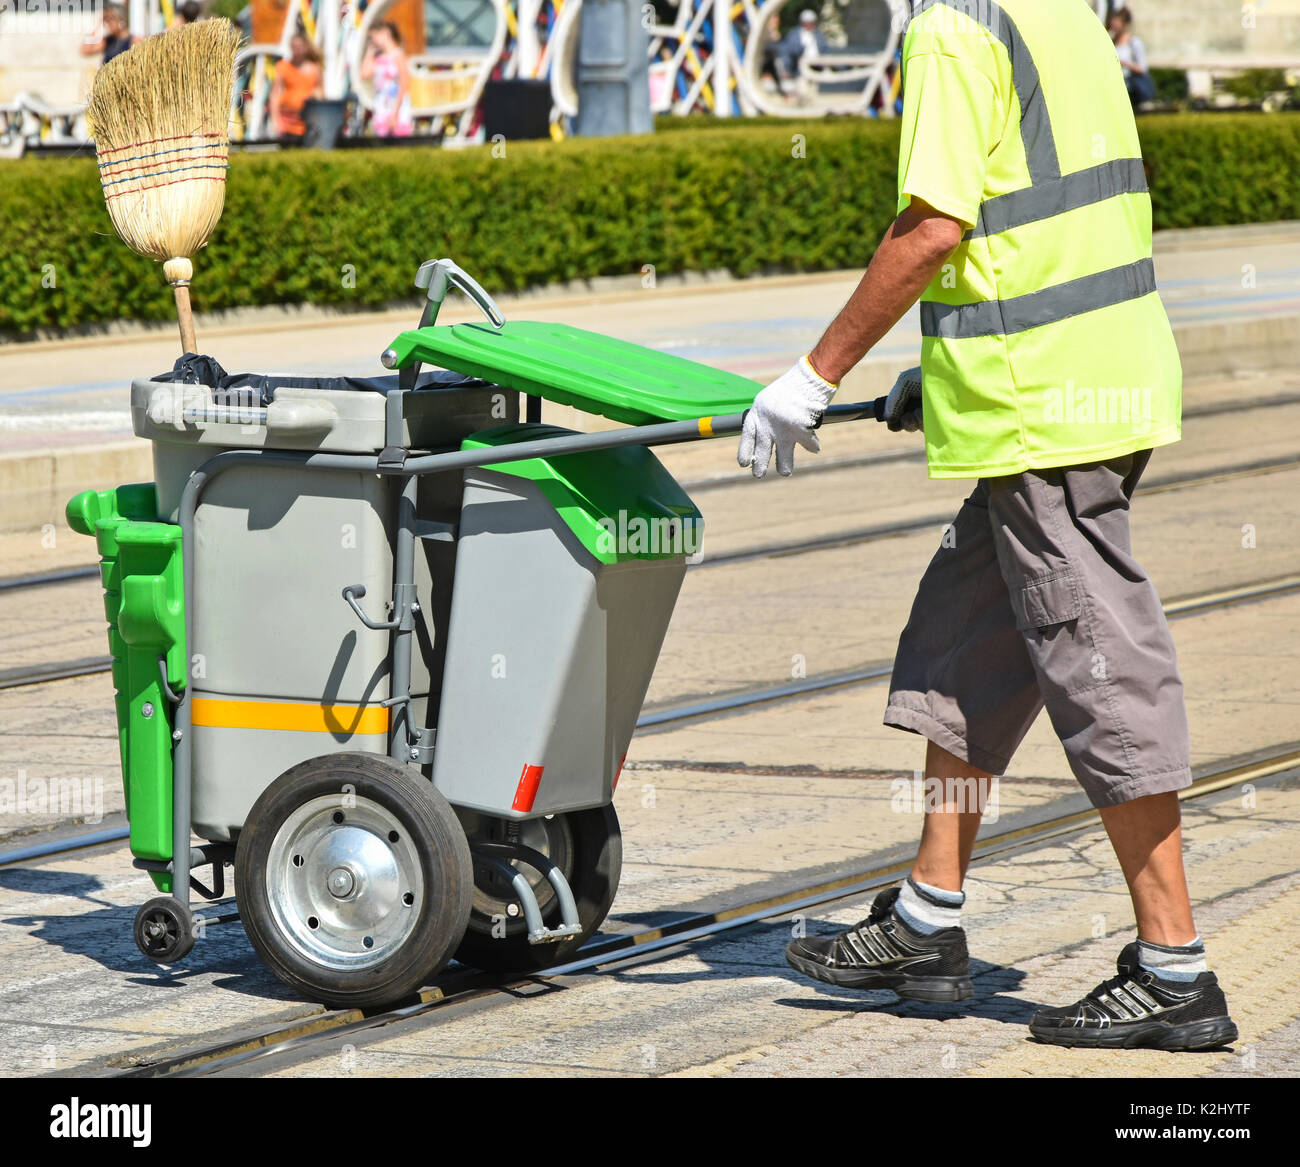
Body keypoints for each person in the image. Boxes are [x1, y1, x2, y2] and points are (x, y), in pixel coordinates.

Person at [738, 0, 1238, 1051]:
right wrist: (942, 369)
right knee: (965, 645)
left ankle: (1173, 968)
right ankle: (927, 916)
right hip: (1087, 380)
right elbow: (1047, 217)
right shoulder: (1056, 14)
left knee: (1101, 666)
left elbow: (934, 226)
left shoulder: (953, 27)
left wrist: (810, 375)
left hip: (1043, 411)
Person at [361, 21, 413, 138]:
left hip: (396, 104)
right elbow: (364, 74)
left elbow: (404, 83)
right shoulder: (378, 57)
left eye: (374, 37)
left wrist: (395, 112)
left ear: (385, 33)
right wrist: (370, 52)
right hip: (381, 105)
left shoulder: (398, 55)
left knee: (399, 138)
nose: (373, 41)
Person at [270, 32, 324, 141]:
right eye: (294, 47)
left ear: (306, 48)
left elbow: (321, 92)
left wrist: (315, 96)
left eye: (299, 47)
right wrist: (276, 120)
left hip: (307, 121)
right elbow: (275, 94)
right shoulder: (283, 67)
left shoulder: (315, 69)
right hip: (286, 121)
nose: (297, 50)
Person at [1110, 5, 1156, 107]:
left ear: (1124, 24)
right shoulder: (1111, 42)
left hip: (1130, 87)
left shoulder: (1134, 43)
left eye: (1117, 24)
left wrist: (1123, 63)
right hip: (1114, 84)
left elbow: (1142, 68)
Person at [777, 9, 829, 84]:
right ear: (802, 22)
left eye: (811, 22)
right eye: (807, 22)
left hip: (818, 66)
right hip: (800, 67)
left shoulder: (818, 34)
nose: (809, 25)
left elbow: (824, 49)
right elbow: (789, 52)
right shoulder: (794, 34)